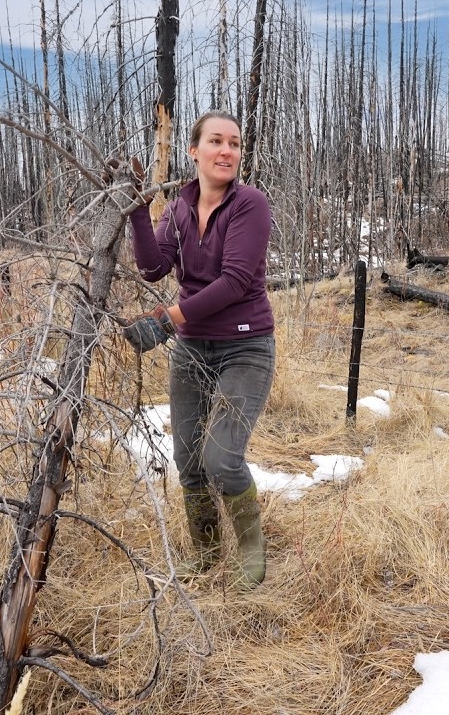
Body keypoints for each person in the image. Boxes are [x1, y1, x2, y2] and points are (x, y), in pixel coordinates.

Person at [121, 111, 276, 590]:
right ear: (195, 151)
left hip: (245, 346)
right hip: (192, 349)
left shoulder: (251, 204)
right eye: (216, 141)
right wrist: (136, 211)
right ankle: (206, 552)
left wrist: (168, 320)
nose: (226, 151)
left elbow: (233, 282)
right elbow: (152, 268)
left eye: (234, 143)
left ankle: (251, 548)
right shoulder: (181, 208)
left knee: (222, 457)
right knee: (188, 458)